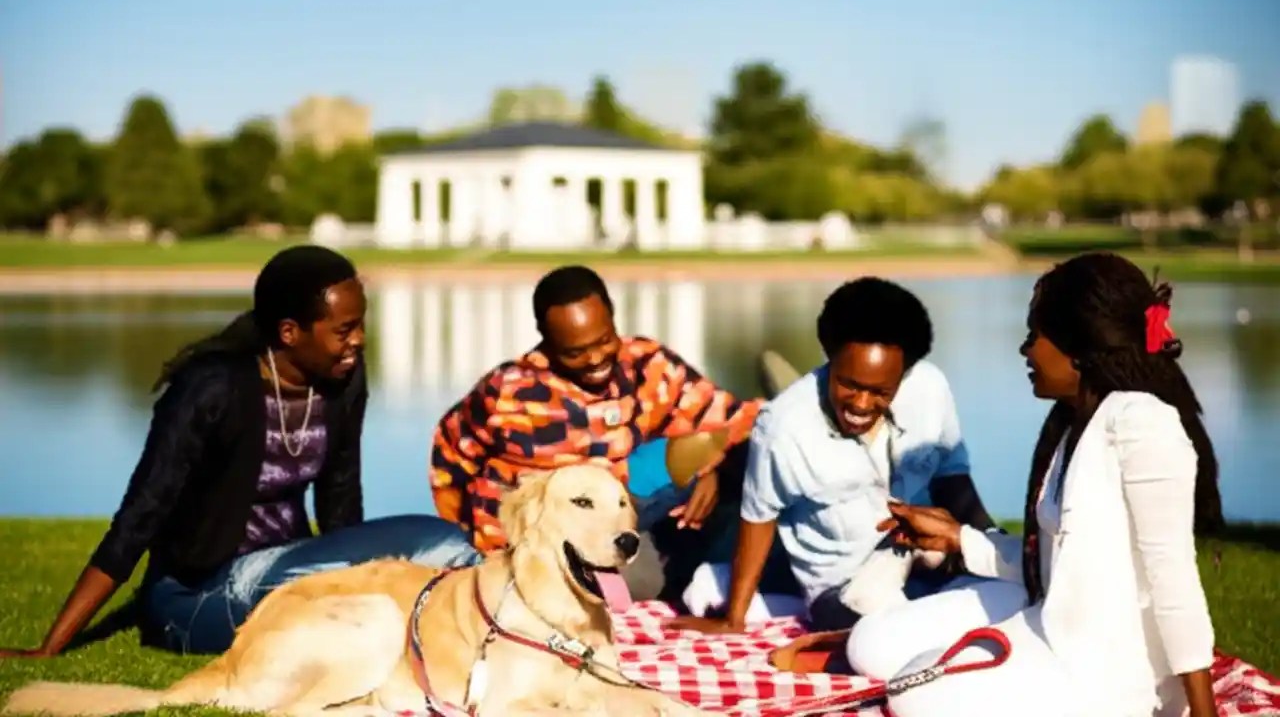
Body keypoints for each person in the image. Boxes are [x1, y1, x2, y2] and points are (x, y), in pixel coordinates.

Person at [0, 245, 477, 658]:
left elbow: (340, 496)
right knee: (331, 577)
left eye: (360, 326)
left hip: (292, 563)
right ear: (290, 332)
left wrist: (359, 567)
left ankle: (479, 629)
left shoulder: (343, 381)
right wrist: (50, 647)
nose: (357, 341)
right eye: (344, 329)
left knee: (447, 541)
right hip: (196, 597)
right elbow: (140, 517)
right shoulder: (212, 388)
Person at [834, 253, 1222, 717]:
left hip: (1111, 678)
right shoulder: (1074, 424)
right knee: (873, 645)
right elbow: (1060, 563)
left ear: (1077, 345)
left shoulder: (1142, 422)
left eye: (1033, 335)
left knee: (911, 693)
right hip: (1050, 625)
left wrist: (1204, 711)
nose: (1025, 350)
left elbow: (1174, 578)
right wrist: (957, 537)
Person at [429, 265, 795, 603]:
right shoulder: (508, 393)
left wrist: (714, 465)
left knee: (754, 449)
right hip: (556, 537)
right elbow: (450, 461)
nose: (594, 360)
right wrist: (480, 544)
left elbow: (731, 416)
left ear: (612, 318)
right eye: (575, 352)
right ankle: (690, 573)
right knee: (644, 583)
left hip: (628, 499)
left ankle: (757, 563)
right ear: (545, 338)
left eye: (604, 341)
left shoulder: (643, 363)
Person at [673, 277, 996, 634]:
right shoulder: (781, 426)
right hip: (842, 589)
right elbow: (759, 519)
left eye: (879, 392)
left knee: (1003, 602)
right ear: (830, 356)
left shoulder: (930, 388)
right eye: (849, 384)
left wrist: (991, 545)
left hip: (925, 564)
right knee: (897, 634)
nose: (860, 404)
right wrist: (733, 619)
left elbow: (953, 477)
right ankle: (723, 586)